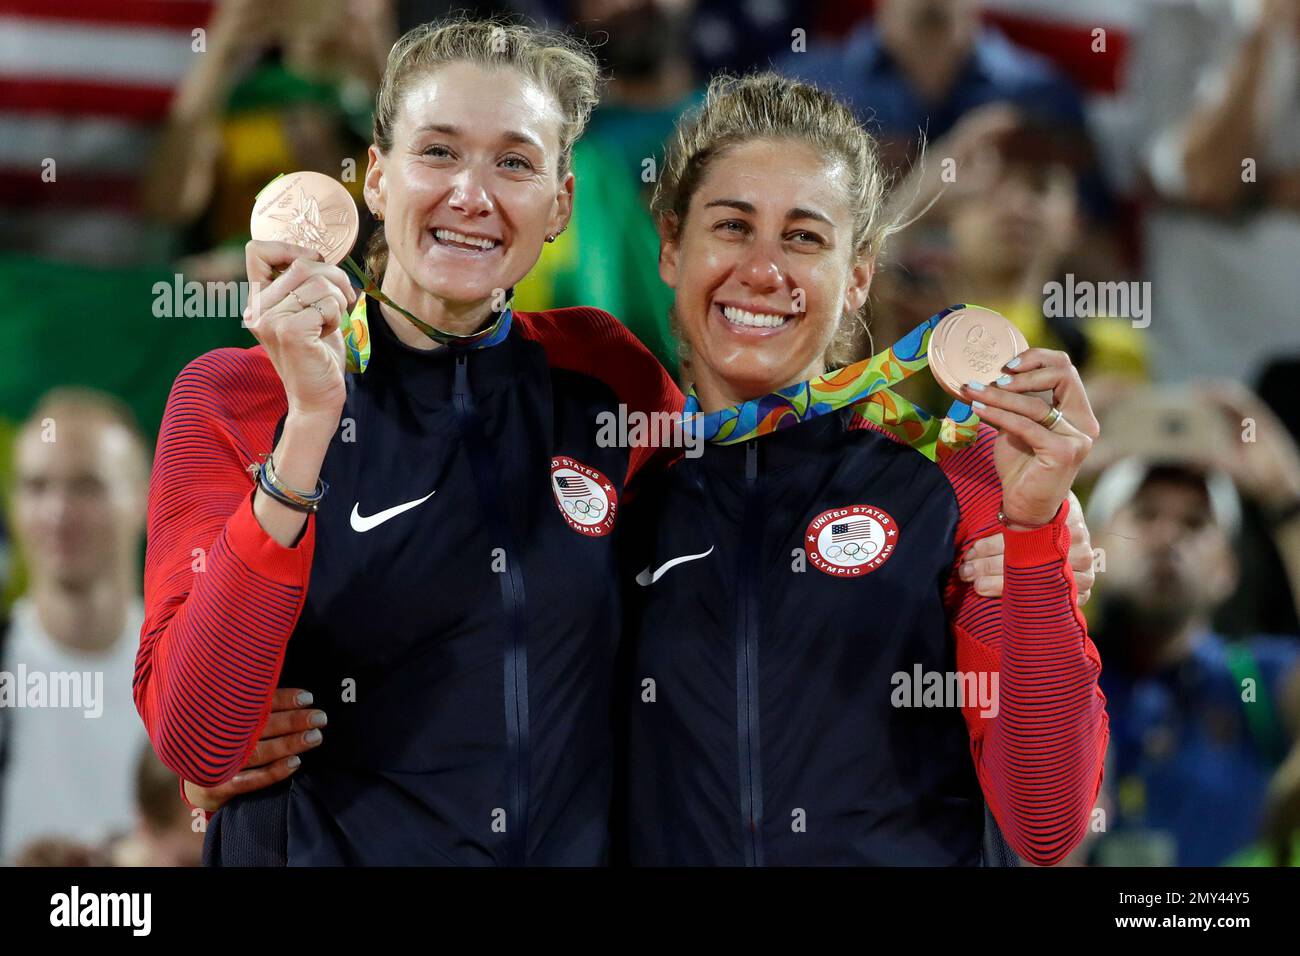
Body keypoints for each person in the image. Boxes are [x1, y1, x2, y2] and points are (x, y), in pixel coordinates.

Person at [135, 17, 681, 866]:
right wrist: (309, 425)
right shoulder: (236, 396)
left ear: (561, 204)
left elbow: (724, 594)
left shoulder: (607, 377)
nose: (471, 194)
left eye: (514, 162)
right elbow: (198, 738)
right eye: (438, 152)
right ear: (379, 179)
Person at [619, 72, 1107, 866]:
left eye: (804, 238)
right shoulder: (612, 488)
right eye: (733, 226)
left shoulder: (955, 483)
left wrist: (1036, 541)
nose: (763, 270)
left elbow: (1047, 823)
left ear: (857, 276)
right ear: (673, 247)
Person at [1085, 383, 1300, 866]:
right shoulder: (1050, 676)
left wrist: (1288, 499)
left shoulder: (1257, 682)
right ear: (1092, 545)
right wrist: (1044, 469)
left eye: (1195, 523)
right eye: (1145, 514)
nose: (1167, 537)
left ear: (1227, 569)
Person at [1, 388, 151, 861]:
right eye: (36, 487)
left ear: (145, 498)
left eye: (87, 486)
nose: (58, 512)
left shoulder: (193, 670)